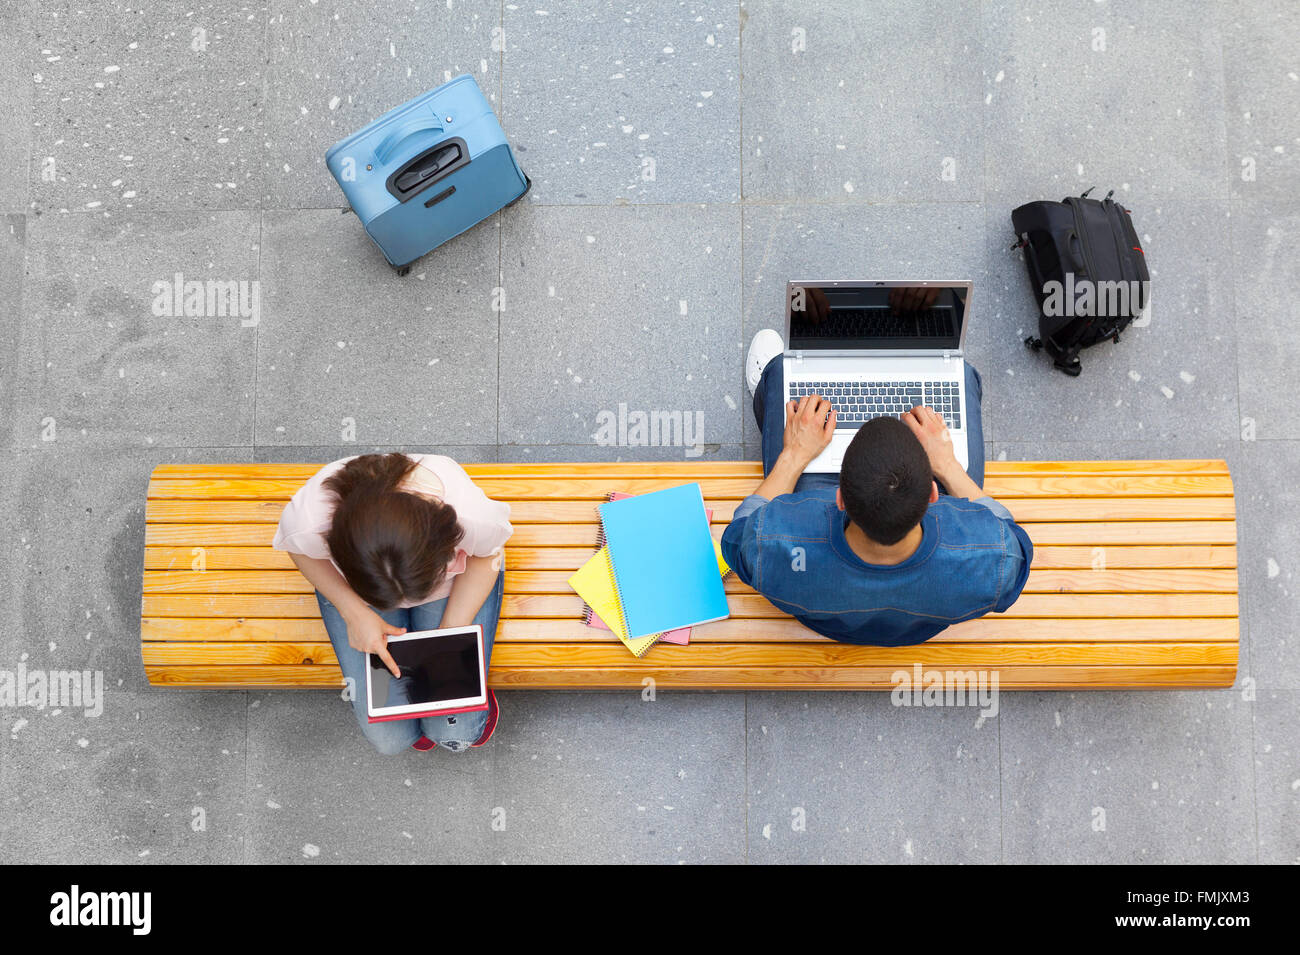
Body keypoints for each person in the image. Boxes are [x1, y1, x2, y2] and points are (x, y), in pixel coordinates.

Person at [721, 326, 1033, 646]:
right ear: (933, 494)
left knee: (781, 374)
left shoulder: (775, 545)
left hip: (829, 620)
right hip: (921, 624)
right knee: (965, 377)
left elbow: (738, 537)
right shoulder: (994, 558)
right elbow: (1007, 532)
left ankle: (771, 378)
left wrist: (795, 453)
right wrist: (948, 465)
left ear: (839, 498)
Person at [273, 453, 511, 753]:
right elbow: (301, 551)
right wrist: (354, 611)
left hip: (454, 585)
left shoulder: (468, 514)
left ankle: (456, 709)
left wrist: (449, 636)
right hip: (360, 592)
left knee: (456, 734)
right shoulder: (310, 519)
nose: (403, 604)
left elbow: (487, 555)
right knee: (391, 740)